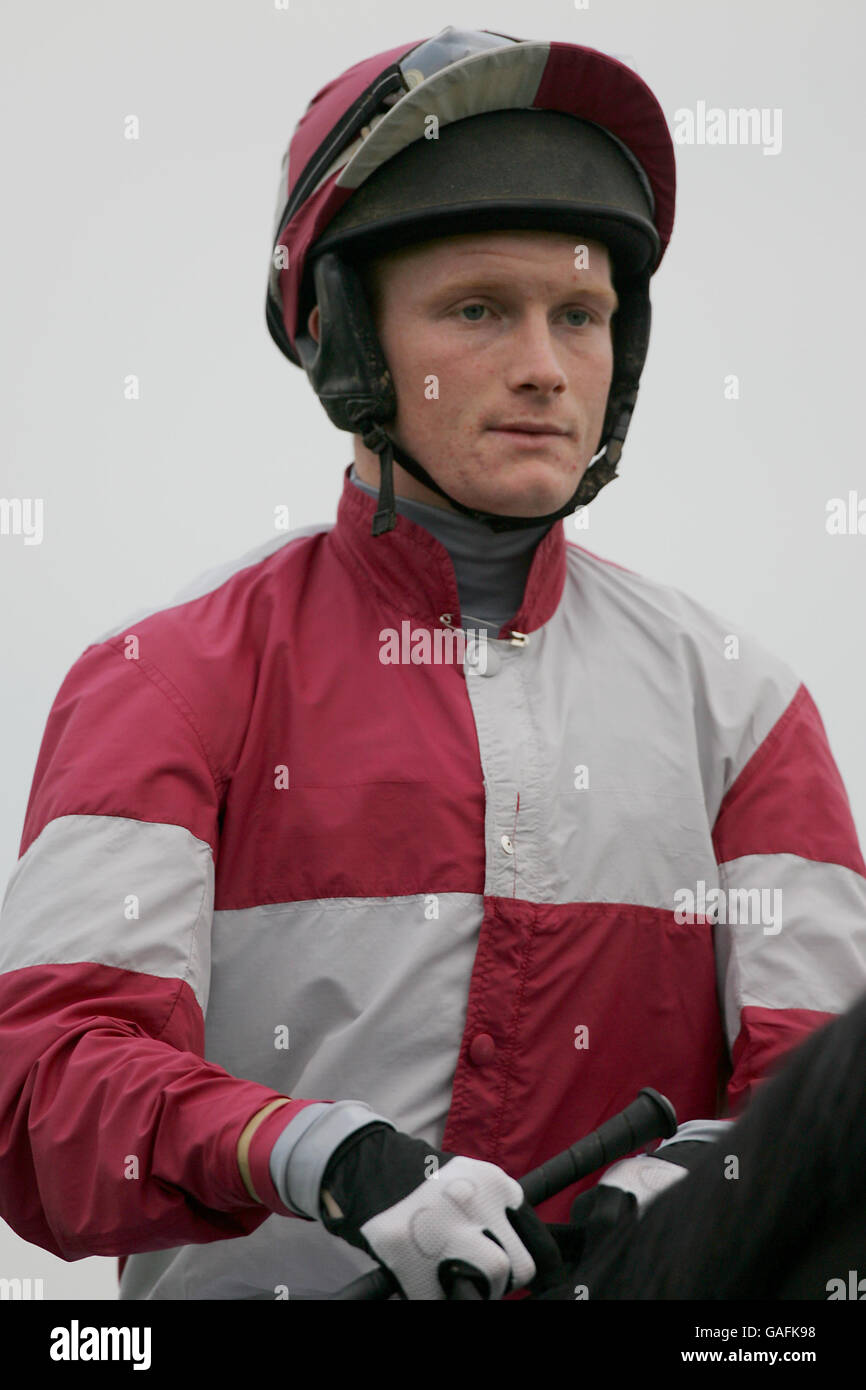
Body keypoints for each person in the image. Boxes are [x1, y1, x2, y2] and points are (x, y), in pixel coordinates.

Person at [1, 25, 865, 1302]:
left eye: (581, 315)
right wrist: (317, 1152)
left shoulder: (742, 705)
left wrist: (690, 1177)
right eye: (477, 309)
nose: (542, 367)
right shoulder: (167, 675)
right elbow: (43, 1089)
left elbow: (821, 1115)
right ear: (347, 342)